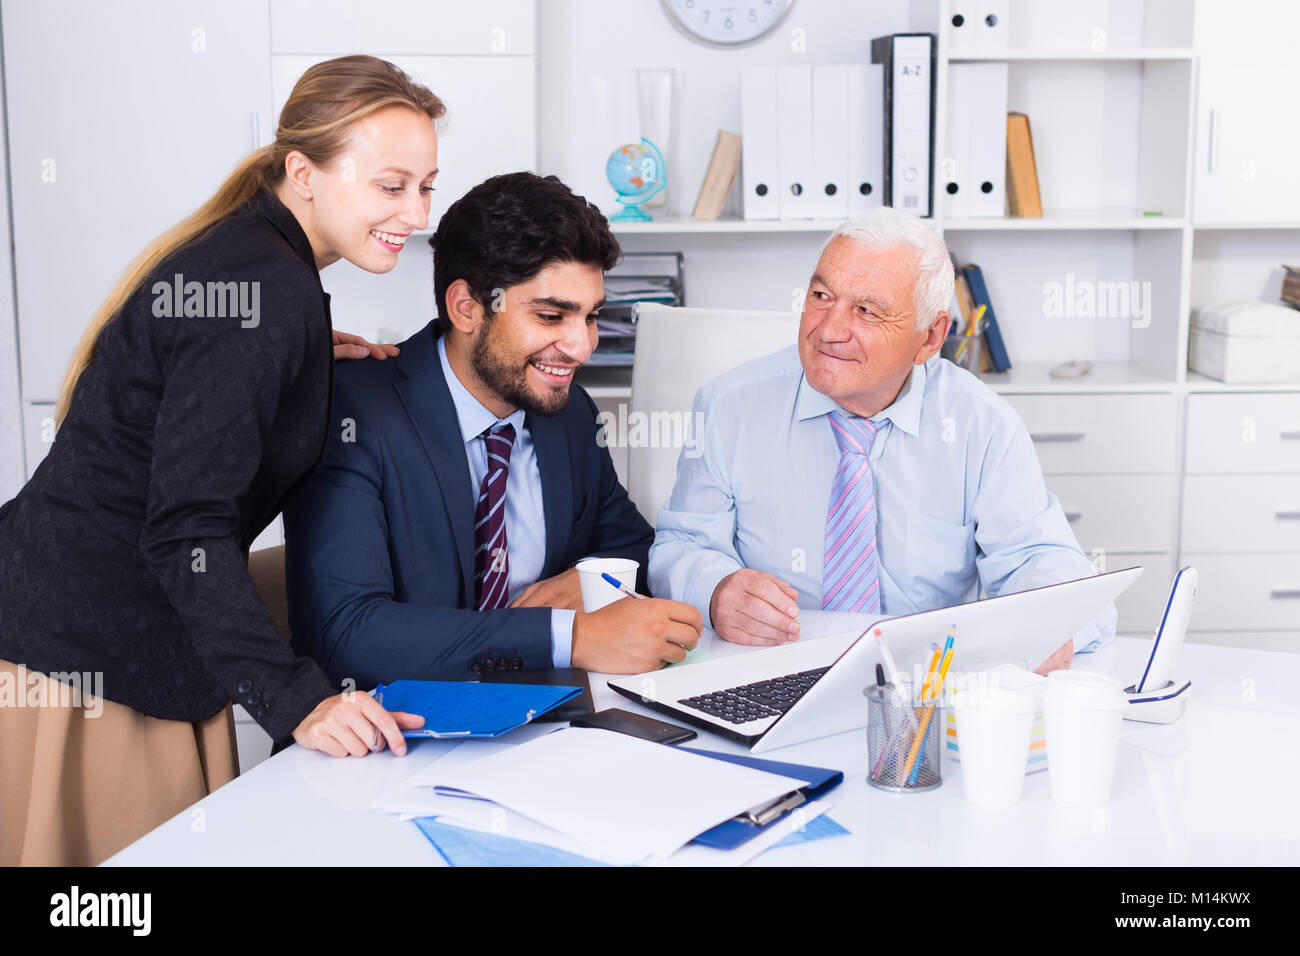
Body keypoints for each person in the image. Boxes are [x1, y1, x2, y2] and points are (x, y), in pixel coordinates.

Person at [0, 55, 443, 866]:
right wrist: (301, 703)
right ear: (303, 174)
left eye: (426, 187)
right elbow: (185, 533)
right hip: (93, 651)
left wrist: (296, 369)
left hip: (65, 607)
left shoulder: (251, 261)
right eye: (391, 186)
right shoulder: (265, 292)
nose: (415, 213)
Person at [284, 172, 703, 689]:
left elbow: (633, 546)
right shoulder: (351, 411)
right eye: (550, 316)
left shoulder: (569, 412)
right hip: (392, 725)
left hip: (548, 715)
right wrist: (567, 636)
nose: (582, 347)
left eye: (591, 316)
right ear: (467, 308)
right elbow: (347, 634)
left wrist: (590, 581)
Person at [648, 207, 1114, 669]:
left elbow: (1039, 558)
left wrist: (1049, 623)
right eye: (821, 295)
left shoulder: (981, 424)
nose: (828, 330)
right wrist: (716, 592)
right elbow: (681, 544)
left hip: (922, 683)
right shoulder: (730, 405)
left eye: (867, 311)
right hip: (771, 666)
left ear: (930, 337)